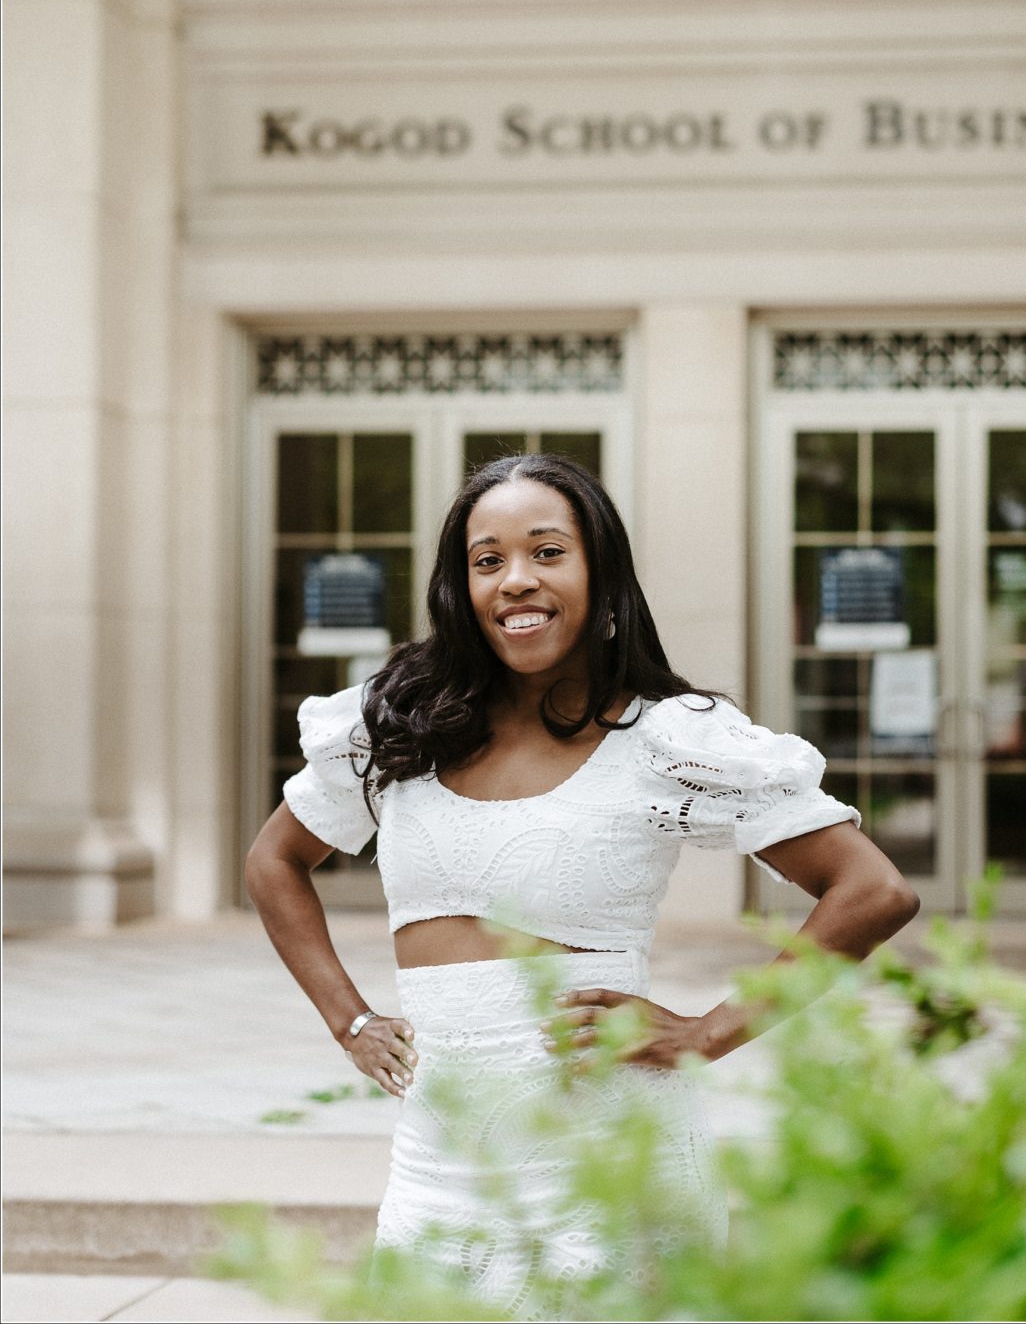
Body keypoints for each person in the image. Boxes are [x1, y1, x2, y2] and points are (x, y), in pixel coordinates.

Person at [246, 453, 920, 1314]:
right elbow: (274, 861)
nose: (516, 580)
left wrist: (707, 1034)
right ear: (461, 588)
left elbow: (872, 891)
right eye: (487, 560)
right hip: (440, 1159)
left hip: (608, 1152)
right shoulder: (400, 728)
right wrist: (351, 1020)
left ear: (600, 575)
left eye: (547, 552)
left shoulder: (664, 742)